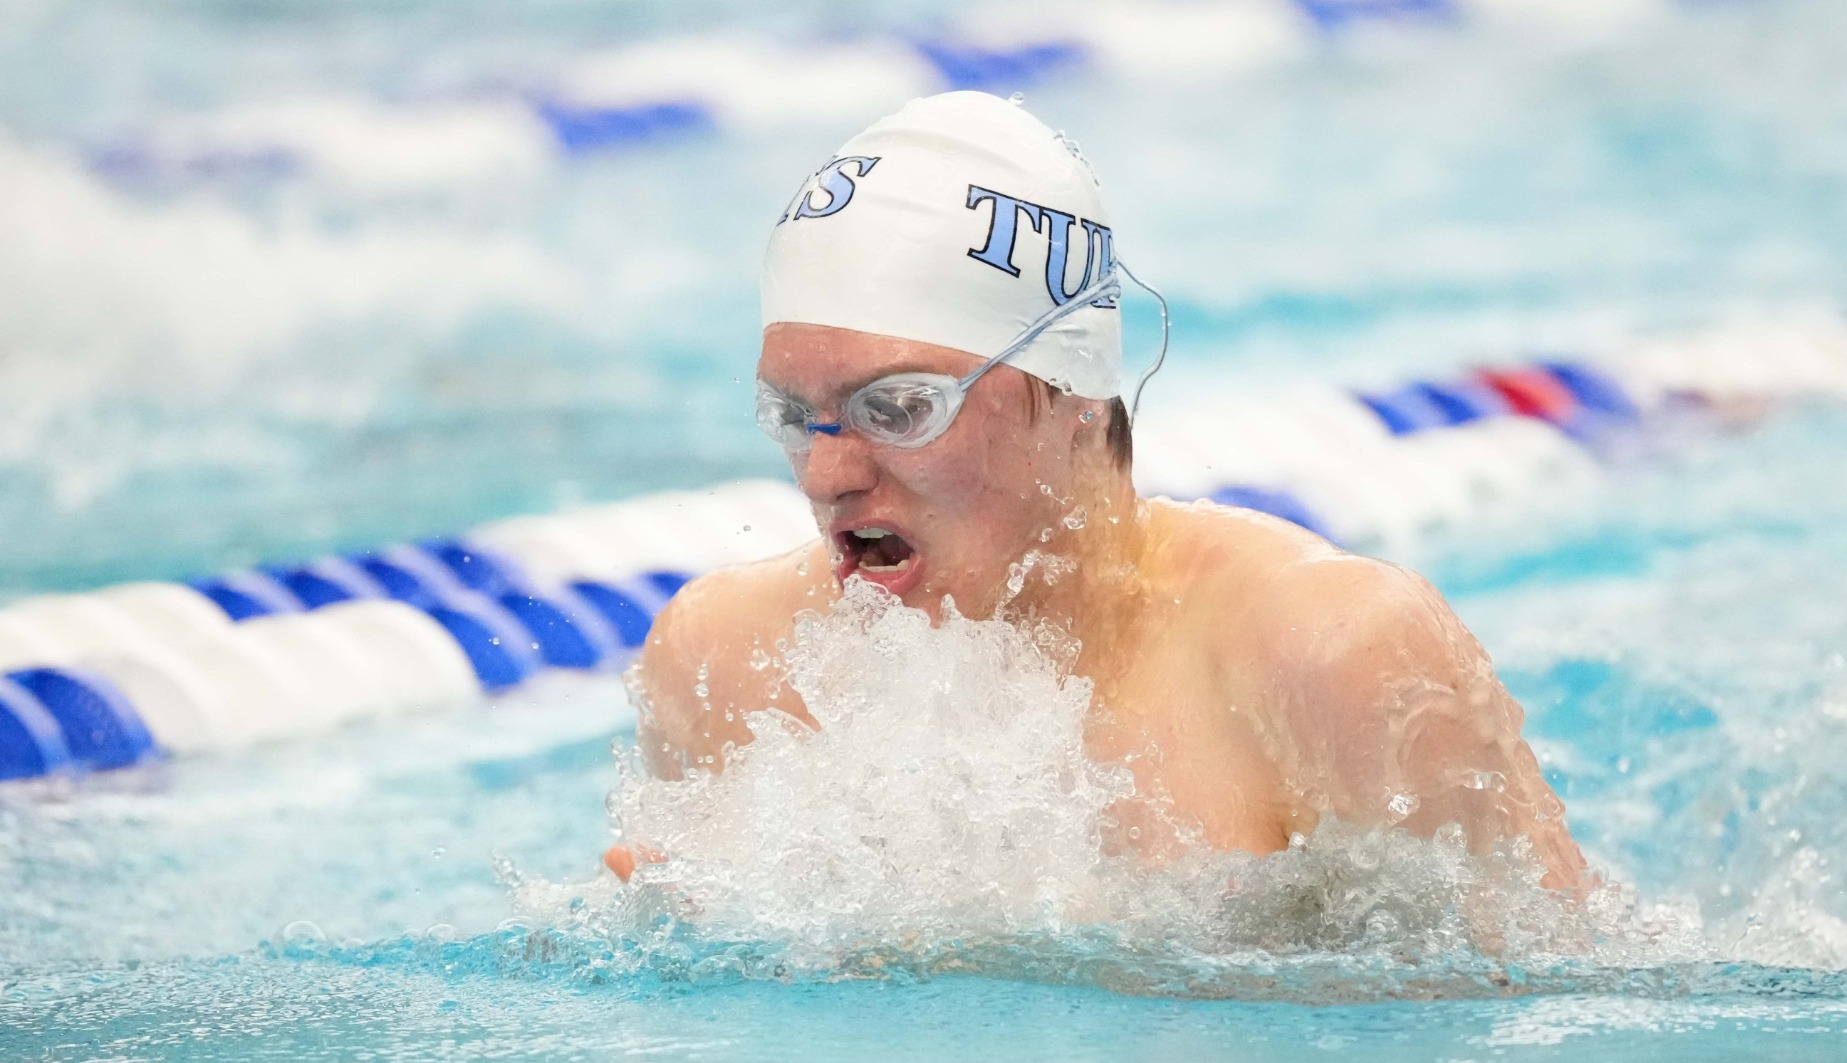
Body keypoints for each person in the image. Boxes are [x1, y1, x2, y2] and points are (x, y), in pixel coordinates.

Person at [606, 91, 1588, 890]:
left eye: (896, 407)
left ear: (1071, 389)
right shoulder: (721, 665)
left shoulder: (1329, 652)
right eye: (792, 413)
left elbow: (1539, 1033)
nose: (826, 473)